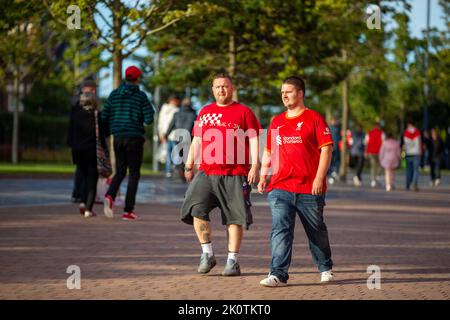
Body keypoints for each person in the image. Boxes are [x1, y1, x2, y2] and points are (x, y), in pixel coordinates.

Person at [181, 73, 261, 276]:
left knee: (234, 217)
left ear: (232, 88)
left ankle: (232, 261)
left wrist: (255, 165)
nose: (221, 90)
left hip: (235, 173)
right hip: (207, 172)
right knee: (195, 208)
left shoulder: (244, 112)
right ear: (212, 89)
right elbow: (197, 140)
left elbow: (253, 141)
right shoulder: (205, 111)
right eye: (217, 87)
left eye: (225, 86)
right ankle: (207, 253)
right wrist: (189, 164)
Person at [258, 76, 334, 287]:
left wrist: (319, 178)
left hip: (310, 188)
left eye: (289, 91)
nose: (284, 95)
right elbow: (268, 151)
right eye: (282, 92)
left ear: (300, 93)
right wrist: (264, 175)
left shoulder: (315, 118)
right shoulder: (277, 121)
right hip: (280, 186)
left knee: (315, 230)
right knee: (280, 230)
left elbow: (326, 149)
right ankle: (277, 273)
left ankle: (325, 267)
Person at [101, 66, 155, 221]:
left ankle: (110, 195)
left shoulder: (114, 95)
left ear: (126, 77)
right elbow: (149, 118)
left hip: (117, 137)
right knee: (134, 173)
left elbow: (104, 115)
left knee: (120, 170)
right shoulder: (141, 96)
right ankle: (128, 210)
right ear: (137, 79)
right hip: (134, 138)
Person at [67, 91, 107, 217]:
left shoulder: (76, 114)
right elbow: (103, 134)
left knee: (82, 176)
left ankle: (83, 202)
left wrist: (71, 146)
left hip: (78, 151)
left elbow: (70, 133)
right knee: (92, 180)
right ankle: (88, 209)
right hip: (92, 151)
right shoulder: (97, 115)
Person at [68, 80, 97, 204]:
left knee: (81, 169)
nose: (94, 92)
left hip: (77, 144)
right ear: (86, 89)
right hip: (86, 144)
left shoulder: (76, 104)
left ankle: (79, 195)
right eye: (92, 89)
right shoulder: (82, 105)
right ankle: (82, 197)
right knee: (86, 172)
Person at [164, 97, 197, 181]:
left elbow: (171, 125)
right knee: (187, 157)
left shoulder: (177, 113)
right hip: (188, 137)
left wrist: (166, 134)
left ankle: (181, 173)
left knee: (180, 156)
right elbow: (197, 127)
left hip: (178, 138)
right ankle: (186, 173)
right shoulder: (194, 114)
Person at [158, 95, 180, 177]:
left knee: (169, 154)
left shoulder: (164, 109)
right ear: (174, 101)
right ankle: (174, 169)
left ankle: (168, 171)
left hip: (166, 134)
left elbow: (160, 123)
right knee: (175, 153)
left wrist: (161, 133)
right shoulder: (176, 110)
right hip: (173, 135)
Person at [402, 119, 422, 191]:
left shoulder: (405, 132)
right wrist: (420, 151)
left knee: (408, 170)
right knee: (415, 170)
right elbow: (419, 142)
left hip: (408, 153)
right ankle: (414, 183)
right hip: (416, 153)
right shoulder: (417, 131)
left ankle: (407, 185)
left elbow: (403, 143)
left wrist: (403, 153)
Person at [365, 121, 385, 188]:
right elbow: (384, 143)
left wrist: (366, 152)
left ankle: (373, 180)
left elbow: (366, 143)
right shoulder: (382, 133)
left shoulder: (369, 133)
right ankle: (377, 177)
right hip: (380, 152)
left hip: (371, 151)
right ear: (379, 126)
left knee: (373, 166)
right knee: (380, 165)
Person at [327, 117, 341, 185]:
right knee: (332, 162)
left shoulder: (336, 129)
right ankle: (331, 174)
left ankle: (333, 173)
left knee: (335, 161)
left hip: (335, 148)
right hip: (332, 148)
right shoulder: (330, 128)